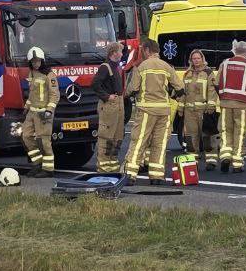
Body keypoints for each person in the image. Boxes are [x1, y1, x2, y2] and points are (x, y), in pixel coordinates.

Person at [124, 38, 181, 185]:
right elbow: (180, 88)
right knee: (160, 143)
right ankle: (156, 176)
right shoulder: (167, 66)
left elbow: (133, 88)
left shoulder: (142, 67)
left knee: (139, 141)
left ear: (147, 50)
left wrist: (126, 94)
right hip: (164, 111)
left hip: (146, 110)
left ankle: (130, 174)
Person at [215, 39, 246, 173]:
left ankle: (225, 156)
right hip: (242, 104)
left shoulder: (225, 63)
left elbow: (217, 84)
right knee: (240, 133)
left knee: (225, 131)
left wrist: (223, 97)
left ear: (235, 50)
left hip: (225, 103)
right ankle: (237, 163)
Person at [21, 47, 60, 177]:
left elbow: (55, 95)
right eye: (33, 62)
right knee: (26, 136)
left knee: (44, 141)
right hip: (32, 112)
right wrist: (26, 107)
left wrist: (49, 110)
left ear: (42, 61)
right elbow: (32, 94)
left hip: (44, 113)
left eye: (37, 61)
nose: (35, 64)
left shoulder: (49, 74)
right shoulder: (31, 73)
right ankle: (37, 164)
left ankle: (48, 169)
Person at [179, 49, 219, 170]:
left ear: (202, 59)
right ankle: (192, 161)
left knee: (207, 136)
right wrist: (180, 108)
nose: (196, 60)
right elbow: (183, 92)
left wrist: (211, 106)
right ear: (191, 60)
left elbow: (212, 90)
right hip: (189, 111)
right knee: (191, 137)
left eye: (198, 58)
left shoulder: (208, 73)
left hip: (204, 110)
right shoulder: (187, 74)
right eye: (194, 58)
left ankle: (211, 161)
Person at [92, 42, 126, 174]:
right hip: (109, 105)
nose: (122, 54)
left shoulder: (115, 67)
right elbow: (95, 84)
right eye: (120, 51)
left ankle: (112, 167)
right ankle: (103, 168)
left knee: (117, 137)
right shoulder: (105, 67)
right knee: (106, 136)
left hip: (118, 104)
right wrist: (106, 96)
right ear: (114, 53)